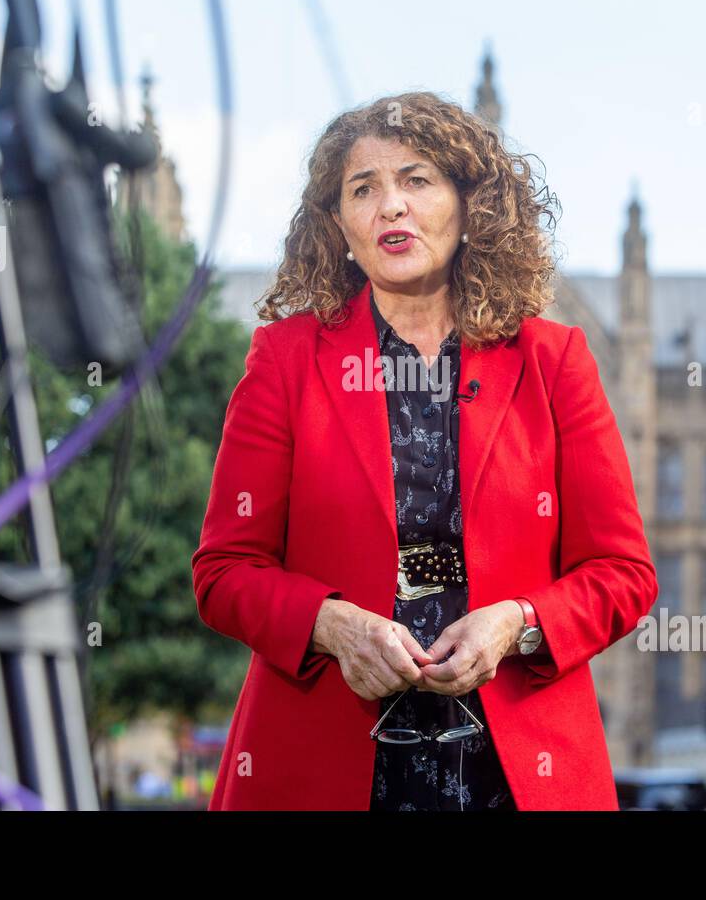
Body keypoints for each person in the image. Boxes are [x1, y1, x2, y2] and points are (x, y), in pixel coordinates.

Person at [191, 91, 657, 810]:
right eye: (363, 189)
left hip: (518, 776)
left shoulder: (552, 359)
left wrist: (517, 624)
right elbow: (224, 572)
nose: (391, 207)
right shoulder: (284, 361)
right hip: (325, 770)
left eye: (416, 180)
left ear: (471, 206)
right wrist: (328, 623)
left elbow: (623, 574)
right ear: (340, 224)